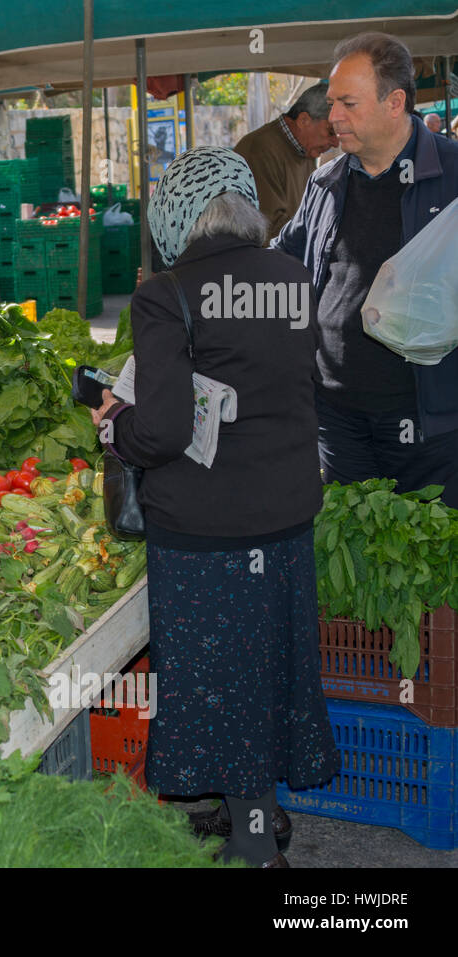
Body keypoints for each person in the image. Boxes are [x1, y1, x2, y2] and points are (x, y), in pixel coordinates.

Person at [90, 147, 339, 867]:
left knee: (218, 679)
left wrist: (113, 421)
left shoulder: (165, 295)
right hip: (286, 515)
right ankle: (258, 811)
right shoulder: (293, 278)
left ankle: (257, 847)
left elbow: (162, 431)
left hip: (206, 531)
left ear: (175, 216)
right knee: (267, 666)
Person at [274, 33, 458, 507]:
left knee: (428, 560)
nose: (333, 117)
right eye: (333, 102)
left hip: (431, 423)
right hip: (339, 422)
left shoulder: (453, 176)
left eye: (349, 104)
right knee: (353, 558)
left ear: (395, 102)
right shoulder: (326, 182)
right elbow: (282, 260)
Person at [233, 83, 339, 239]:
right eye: (331, 132)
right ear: (304, 120)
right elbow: (268, 229)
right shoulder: (259, 150)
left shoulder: (304, 149)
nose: (335, 143)